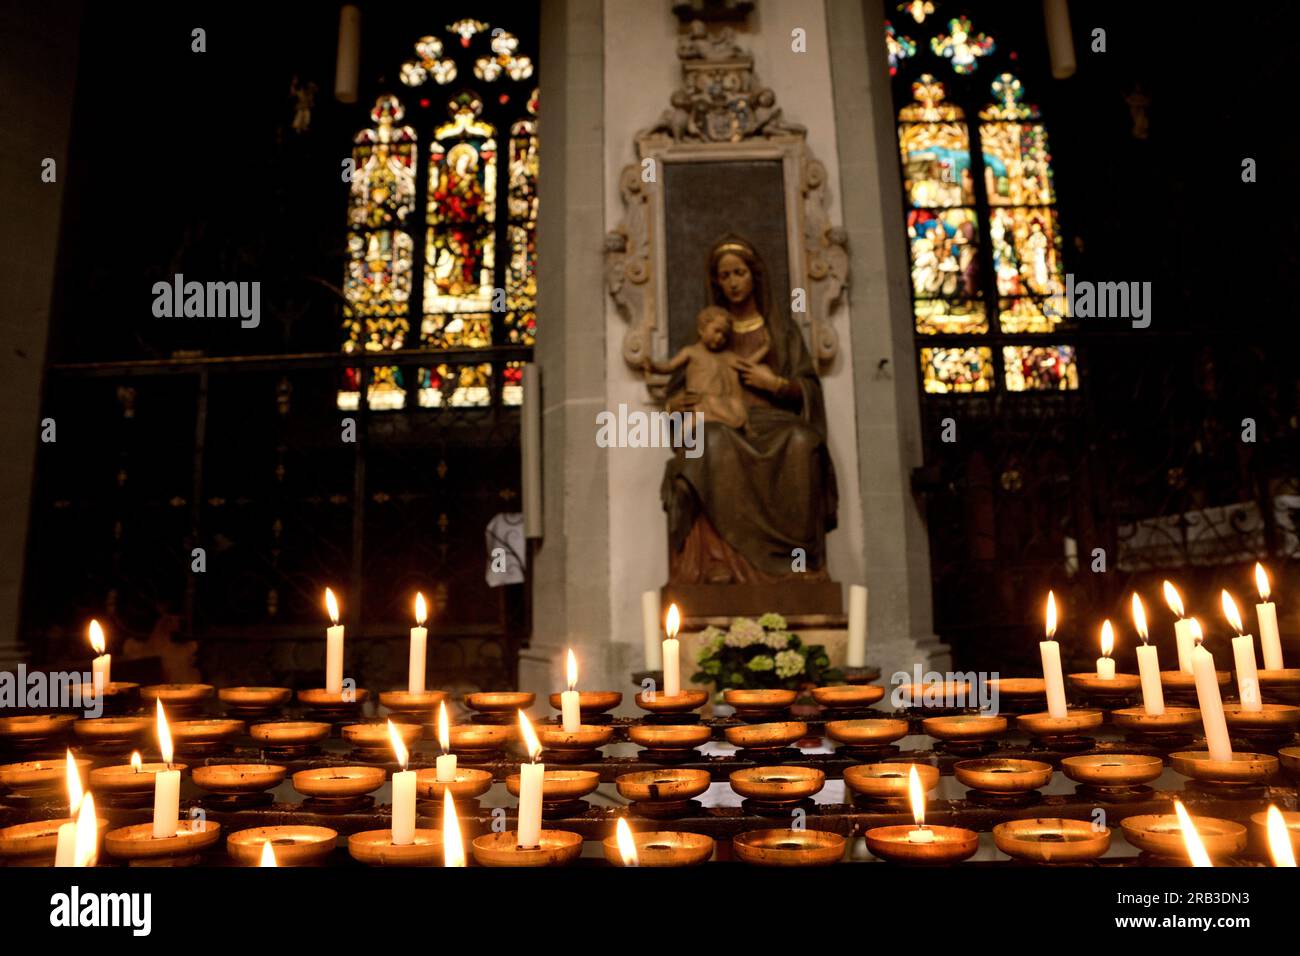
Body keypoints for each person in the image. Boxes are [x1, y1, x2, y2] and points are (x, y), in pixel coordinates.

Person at [661, 235, 837, 584]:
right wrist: (675, 404)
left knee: (802, 443)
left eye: (739, 273)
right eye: (724, 276)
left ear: (754, 275)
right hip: (723, 423)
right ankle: (716, 563)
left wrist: (775, 384)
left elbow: (808, 388)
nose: (732, 282)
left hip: (775, 422)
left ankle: (798, 565)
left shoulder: (780, 331)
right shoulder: (708, 336)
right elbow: (679, 391)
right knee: (708, 443)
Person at [647, 305, 768, 431]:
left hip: (722, 403)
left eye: (725, 335)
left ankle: (745, 429)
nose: (720, 337)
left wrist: (764, 349)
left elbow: (747, 364)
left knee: (738, 407)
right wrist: (654, 367)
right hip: (701, 402)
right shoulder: (691, 352)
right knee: (694, 423)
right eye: (717, 331)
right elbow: (670, 366)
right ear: (701, 329)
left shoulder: (728, 357)